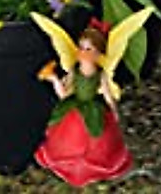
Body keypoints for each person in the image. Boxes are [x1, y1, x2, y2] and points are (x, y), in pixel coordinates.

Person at [34, 17, 136, 187]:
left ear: (98, 53)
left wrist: (114, 110)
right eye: (81, 47)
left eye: (88, 48)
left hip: (93, 108)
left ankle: (95, 160)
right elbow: (65, 94)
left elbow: (107, 93)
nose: (83, 52)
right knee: (65, 136)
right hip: (73, 105)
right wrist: (53, 79)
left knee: (95, 135)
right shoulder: (74, 70)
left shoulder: (101, 73)